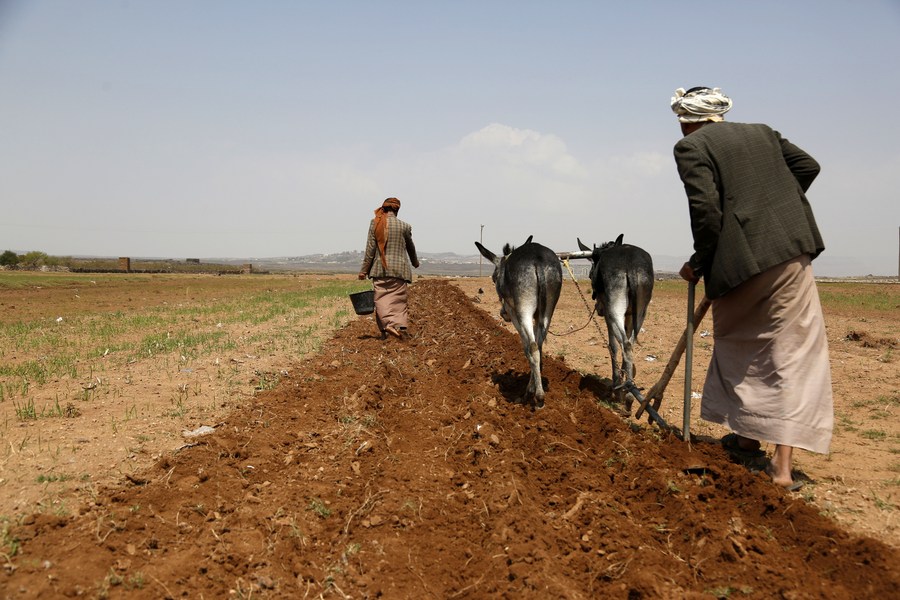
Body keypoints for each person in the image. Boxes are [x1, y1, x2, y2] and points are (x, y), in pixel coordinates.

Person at [670, 86, 834, 490]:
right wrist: (774, 209)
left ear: (685, 119)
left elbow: (706, 213)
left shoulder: (690, 147)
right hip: (791, 255)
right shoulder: (763, 132)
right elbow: (808, 166)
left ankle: (770, 462)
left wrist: (700, 263)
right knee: (791, 352)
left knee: (741, 346)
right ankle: (757, 448)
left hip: (738, 265)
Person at [358, 197, 420, 339]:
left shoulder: (375, 223)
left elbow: (370, 249)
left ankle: (387, 327)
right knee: (398, 301)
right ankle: (400, 327)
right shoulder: (404, 226)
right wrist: (415, 262)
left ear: (384, 208)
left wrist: (363, 270)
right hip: (400, 270)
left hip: (381, 269)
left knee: (382, 300)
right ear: (397, 210)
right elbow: (411, 247)